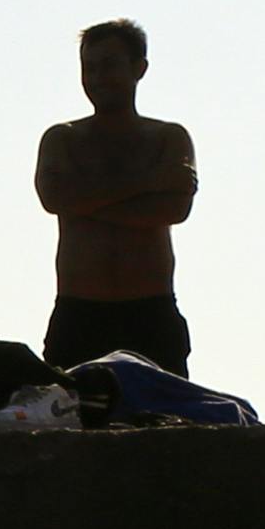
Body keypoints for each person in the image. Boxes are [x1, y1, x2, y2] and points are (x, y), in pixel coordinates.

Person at [34, 21, 198, 369]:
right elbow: (55, 199)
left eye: (108, 65)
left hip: (150, 311)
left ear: (139, 68)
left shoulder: (168, 138)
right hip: (78, 312)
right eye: (89, 67)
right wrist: (149, 182)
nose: (96, 77)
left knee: (168, 417)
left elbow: (174, 207)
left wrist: (86, 204)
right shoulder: (62, 138)